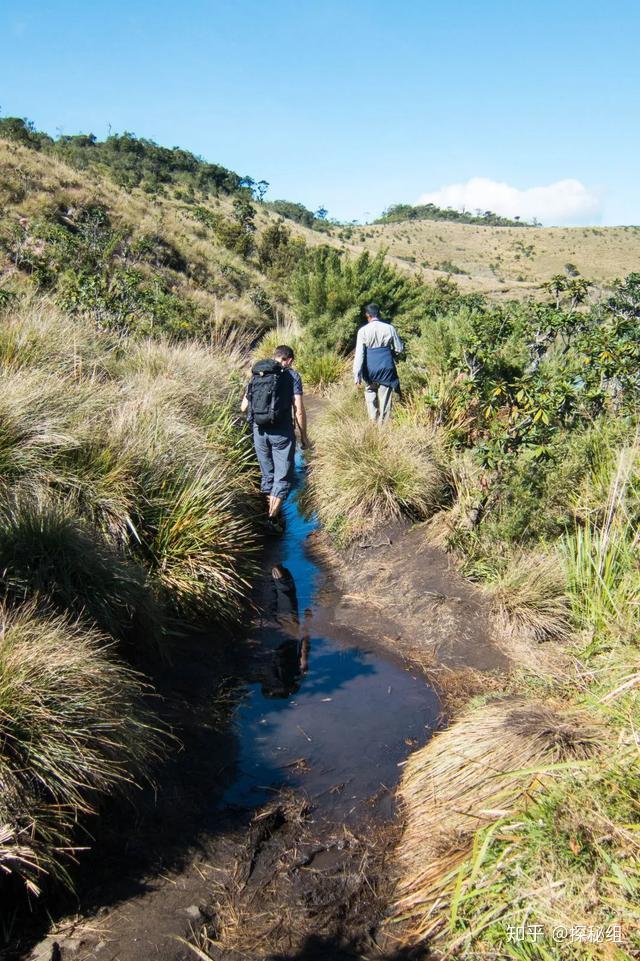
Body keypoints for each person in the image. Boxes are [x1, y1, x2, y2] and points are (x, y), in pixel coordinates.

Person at [241, 344, 309, 534]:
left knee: (268, 475)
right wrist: (303, 437)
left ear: (275, 356)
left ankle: (273, 515)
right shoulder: (292, 376)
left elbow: (243, 407)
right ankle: (272, 519)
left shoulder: (258, 373)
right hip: (282, 432)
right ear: (289, 360)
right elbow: (299, 410)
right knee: (283, 477)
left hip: (259, 431)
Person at [353, 303, 404, 423]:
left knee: (370, 393)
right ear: (378, 313)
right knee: (385, 399)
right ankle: (383, 428)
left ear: (367, 315)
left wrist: (357, 375)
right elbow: (399, 348)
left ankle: (373, 422)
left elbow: (359, 355)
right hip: (386, 367)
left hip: (370, 369)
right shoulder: (389, 328)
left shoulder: (363, 331)